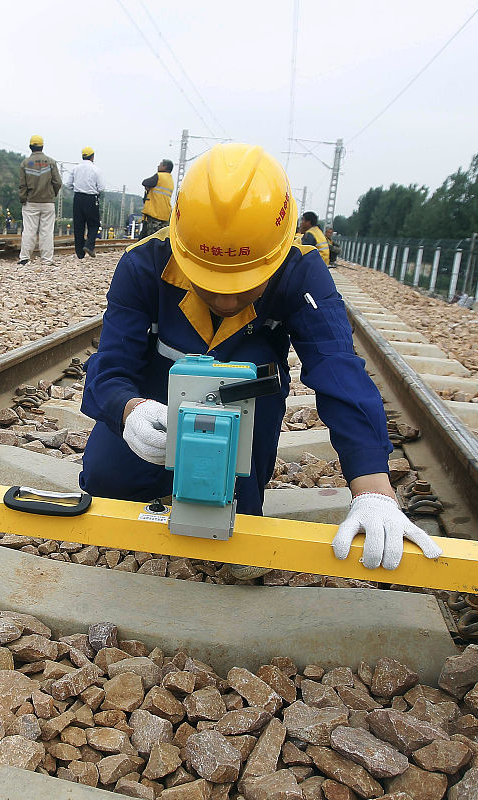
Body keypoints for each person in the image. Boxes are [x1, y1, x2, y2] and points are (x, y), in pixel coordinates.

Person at [78, 143, 442, 578]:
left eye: (244, 282)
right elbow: (111, 363)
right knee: (106, 481)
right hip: (156, 400)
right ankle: (157, 477)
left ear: (277, 252)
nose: (227, 298)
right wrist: (128, 410)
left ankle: (232, 487)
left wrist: (374, 489)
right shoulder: (143, 266)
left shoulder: (300, 269)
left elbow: (337, 369)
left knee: (238, 520)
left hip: (245, 406)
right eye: (210, 281)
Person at [18, 135, 62, 266]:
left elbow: (22, 185)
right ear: (42, 146)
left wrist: (23, 198)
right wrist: (52, 194)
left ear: (30, 146)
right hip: (48, 202)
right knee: (47, 232)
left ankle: (25, 258)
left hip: (31, 202)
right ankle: (47, 259)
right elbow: (57, 182)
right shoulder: (51, 162)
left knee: (29, 231)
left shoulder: (25, 163)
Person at [66, 147, 104, 259]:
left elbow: (68, 184)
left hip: (78, 198)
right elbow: (101, 187)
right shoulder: (96, 170)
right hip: (91, 198)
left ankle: (79, 253)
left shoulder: (75, 168)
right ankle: (89, 245)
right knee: (94, 223)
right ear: (92, 156)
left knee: (78, 225)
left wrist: (77, 188)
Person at [140, 159, 174, 237]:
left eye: (160, 164)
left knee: (150, 239)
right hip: (165, 214)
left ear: (165, 167)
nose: (158, 166)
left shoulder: (160, 176)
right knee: (160, 238)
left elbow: (145, 182)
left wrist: (148, 187)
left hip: (155, 213)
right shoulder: (170, 180)